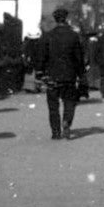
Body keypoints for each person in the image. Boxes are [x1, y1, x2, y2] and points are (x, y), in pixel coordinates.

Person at [36, 7, 86, 140]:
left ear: (55, 19)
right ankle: (67, 122)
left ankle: (56, 132)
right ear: (66, 19)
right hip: (69, 76)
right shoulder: (74, 36)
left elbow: (42, 57)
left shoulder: (48, 36)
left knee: (53, 105)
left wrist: (40, 73)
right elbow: (79, 58)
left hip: (52, 76)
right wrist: (81, 75)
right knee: (69, 102)